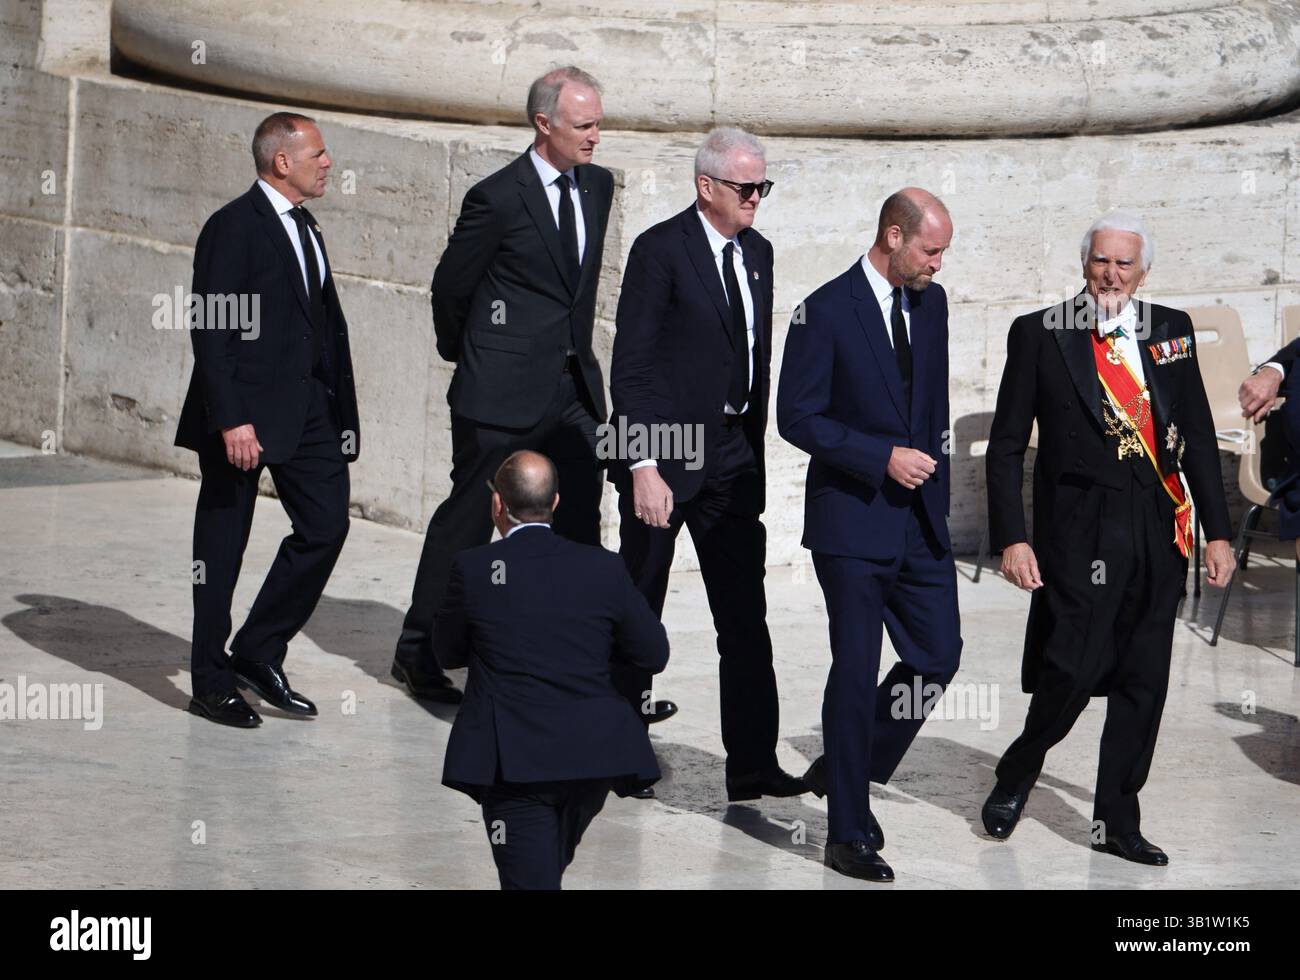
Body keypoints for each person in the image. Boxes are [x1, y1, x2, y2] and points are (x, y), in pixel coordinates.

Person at [982, 212, 1235, 865]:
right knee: (1072, 664)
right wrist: (1012, 537)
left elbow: (1200, 437)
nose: (1111, 275)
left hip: (1160, 522)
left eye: (1124, 264)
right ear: (1084, 263)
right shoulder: (1040, 333)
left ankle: (1117, 820)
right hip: (1080, 528)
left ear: (1142, 269)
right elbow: (1007, 446)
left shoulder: (1170, 331)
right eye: (1101, 261)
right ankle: (1020, 768)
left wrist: (1219, 533)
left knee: (1143, 677)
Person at [392, 66, 615, 704]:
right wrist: (477, 357)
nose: (597, 136)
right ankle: (418, 650)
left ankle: (571, 658)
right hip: (500, 392)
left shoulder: (597, 187)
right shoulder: (497, 197)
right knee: (468, 523)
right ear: (544, 124)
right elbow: (452, 289)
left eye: (599, 122)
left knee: (579, 524)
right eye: (585, 124)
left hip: (574, 389)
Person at [606, 127, 804, 802]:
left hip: (733, 458)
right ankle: (617, 750)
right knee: (641, 603)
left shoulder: (760, 254)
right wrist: (641, 463)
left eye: (762, 186)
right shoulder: (660, 251)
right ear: (706, 186)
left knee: (744, 615)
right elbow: (630, 365)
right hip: (666, 455)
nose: (756, 198)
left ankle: (752, 762)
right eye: (746, 187)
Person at [777, 188, 961, 882]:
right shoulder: (824, 311)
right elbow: (795, 416)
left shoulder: (932, 304)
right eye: (930, 250)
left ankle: (844, 766)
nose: (938, 264)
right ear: (892, 235)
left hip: (920, 523)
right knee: (854, 672)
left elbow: (930, 400)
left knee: (938, 656)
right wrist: (877, 455)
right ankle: (847, 832)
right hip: (852, 523)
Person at [176, 112, 360, 728]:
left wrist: (339, 411)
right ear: (283, 161)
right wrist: (231, 420)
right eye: (319, 153)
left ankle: (257, 651)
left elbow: (322, 325)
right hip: (244, 418)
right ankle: (209, 679)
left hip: (309, 413)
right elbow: (212, 328)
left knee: (327, 526)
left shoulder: (307, 226)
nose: (328, 163)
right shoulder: (233, 227)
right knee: (222, 547)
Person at [434, 451, 668, 889]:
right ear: (556, 502)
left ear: (498, 505)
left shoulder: (476, 570)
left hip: (516, 764)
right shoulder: (602, 566)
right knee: (544, 867)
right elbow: (652, 653)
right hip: (593, 757)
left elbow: (447, 653)